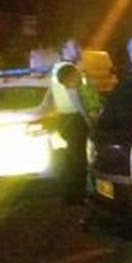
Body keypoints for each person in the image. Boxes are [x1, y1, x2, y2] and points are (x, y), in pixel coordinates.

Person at [50, 38, 99, 202]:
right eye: (74, 46)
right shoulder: (68, 69)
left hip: (65, 118)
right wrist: (87, 119)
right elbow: (75, 97)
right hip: (74, 119)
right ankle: (78, 194)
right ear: (64, 48)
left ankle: (71, 193)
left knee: (72, 157)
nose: (78, 49)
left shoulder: (55, 69)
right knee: (79, 157)